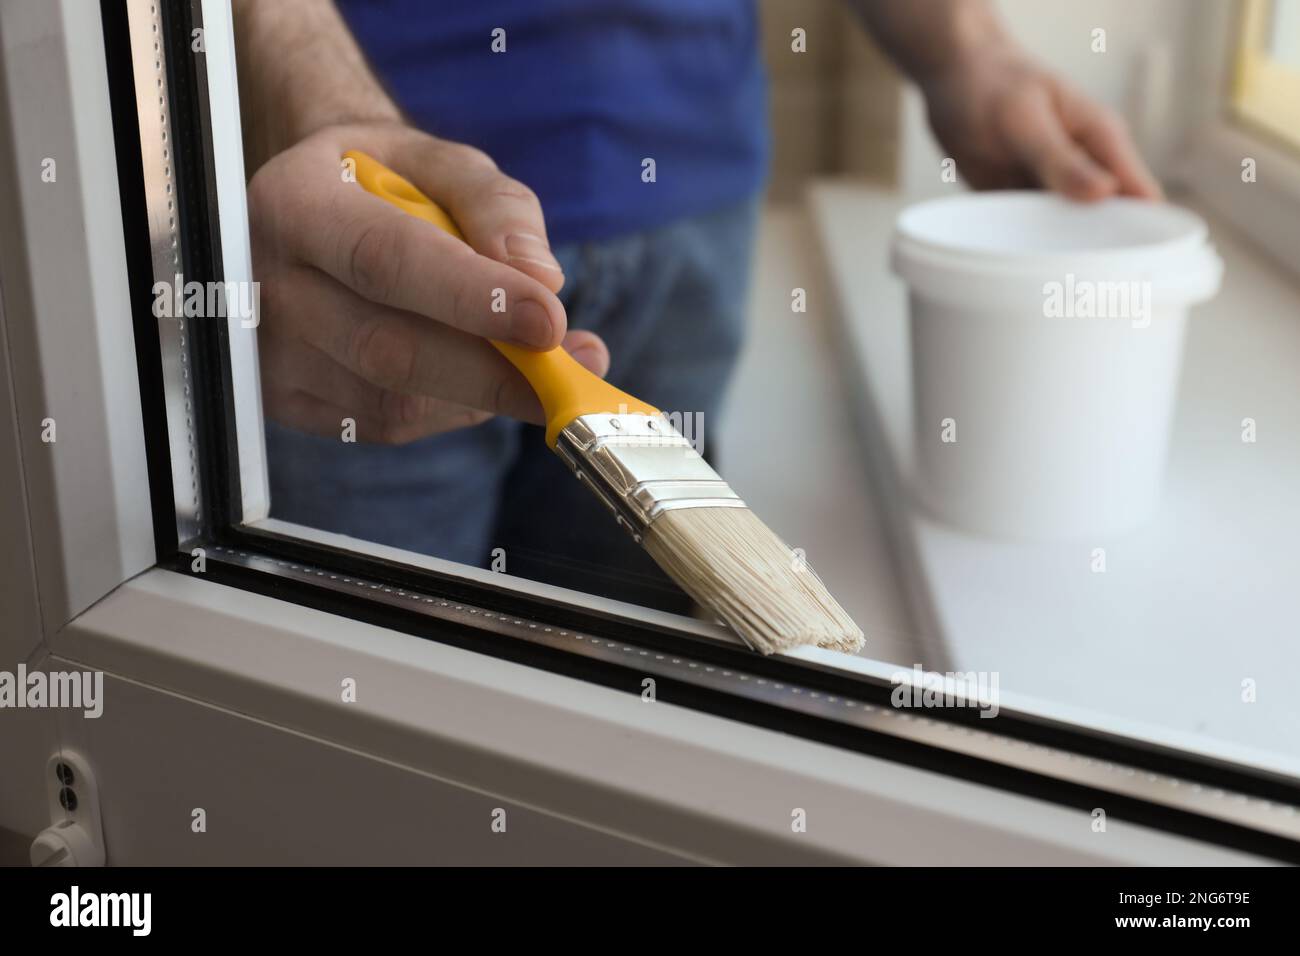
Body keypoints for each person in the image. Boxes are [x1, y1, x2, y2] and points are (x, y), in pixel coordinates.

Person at [233, 0, 1161, 611]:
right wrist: (315, 107)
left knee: (633, 681)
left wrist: (968, 52)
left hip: (697, 205)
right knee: (381, 707)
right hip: (363, 233)